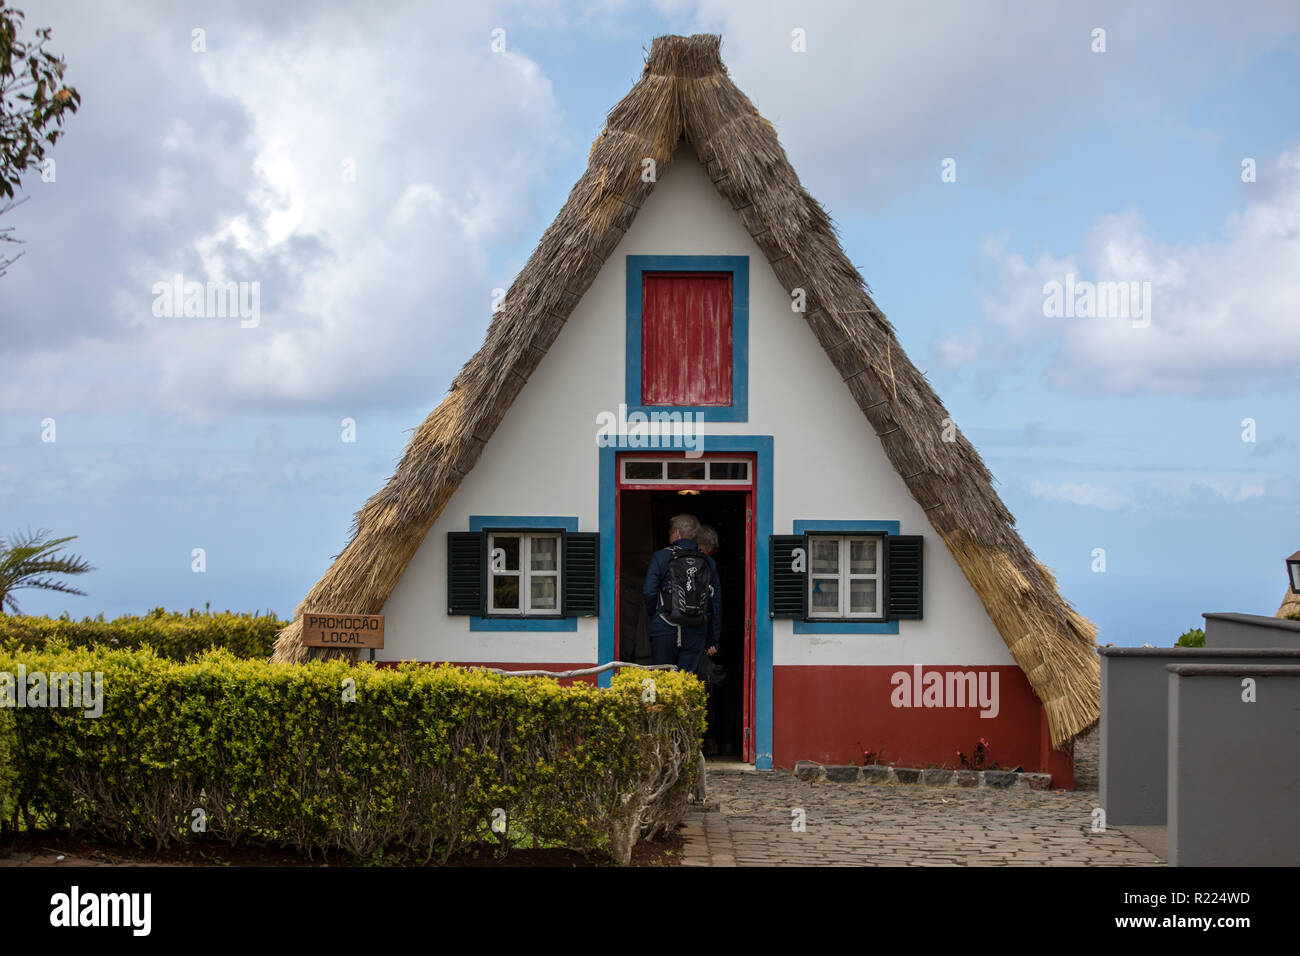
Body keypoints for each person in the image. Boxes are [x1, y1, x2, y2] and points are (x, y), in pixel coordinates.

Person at [643, 513, 721, 674]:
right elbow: (715, 602)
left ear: (677, 532)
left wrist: (656, 617)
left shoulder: (661, 557)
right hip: (695, 631)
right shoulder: (708, 562)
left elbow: (649, 592)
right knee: (688, 684)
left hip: (664, 628)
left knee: (664, 684)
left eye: (670, 532)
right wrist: (713, 638)